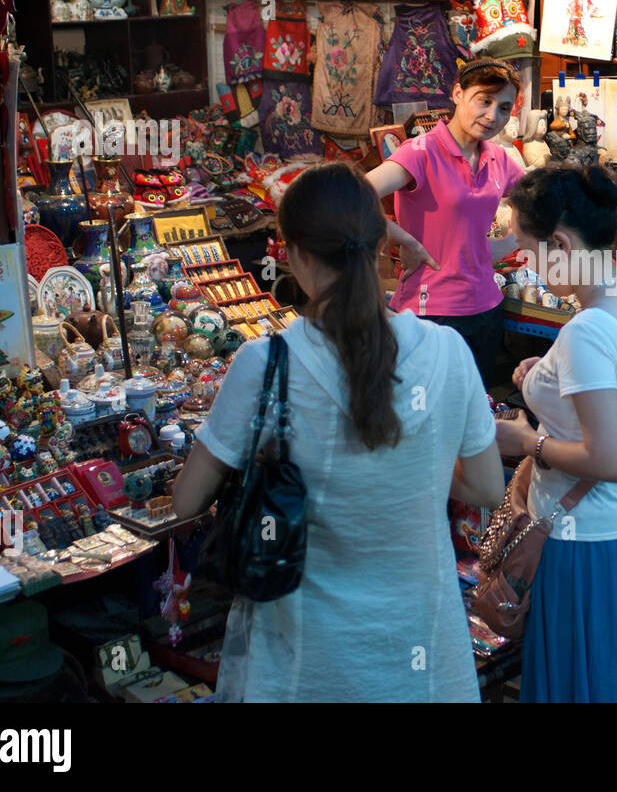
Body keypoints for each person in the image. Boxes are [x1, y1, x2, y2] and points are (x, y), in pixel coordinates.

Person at [172, 163, 504, 702]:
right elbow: (488, 487)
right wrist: (412, 468)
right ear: (380, 246)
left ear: (293, 251)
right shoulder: (448, 352)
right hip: (418, 655)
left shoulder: (266, 363)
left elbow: (186, 501)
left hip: (306, 664)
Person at [494, 166, 617, 703]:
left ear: (560, 244)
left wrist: (529, 443)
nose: (526, 265)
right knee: (614, 671)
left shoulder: (587, 330)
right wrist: (547, 381)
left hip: (581, 535)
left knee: (579, 674)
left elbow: (609, 457)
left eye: (527, 252)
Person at [366, 57, 526, 386]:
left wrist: (509, 242)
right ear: (457, 93)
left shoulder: (498, 158)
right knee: (426, 418)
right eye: (484, 100)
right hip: (430, 312)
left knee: (473, 416)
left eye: (504, 108)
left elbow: (538, 198)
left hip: (485, 308)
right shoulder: (421, 151)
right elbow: (354, 193)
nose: (493, 115)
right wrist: (405, 240)